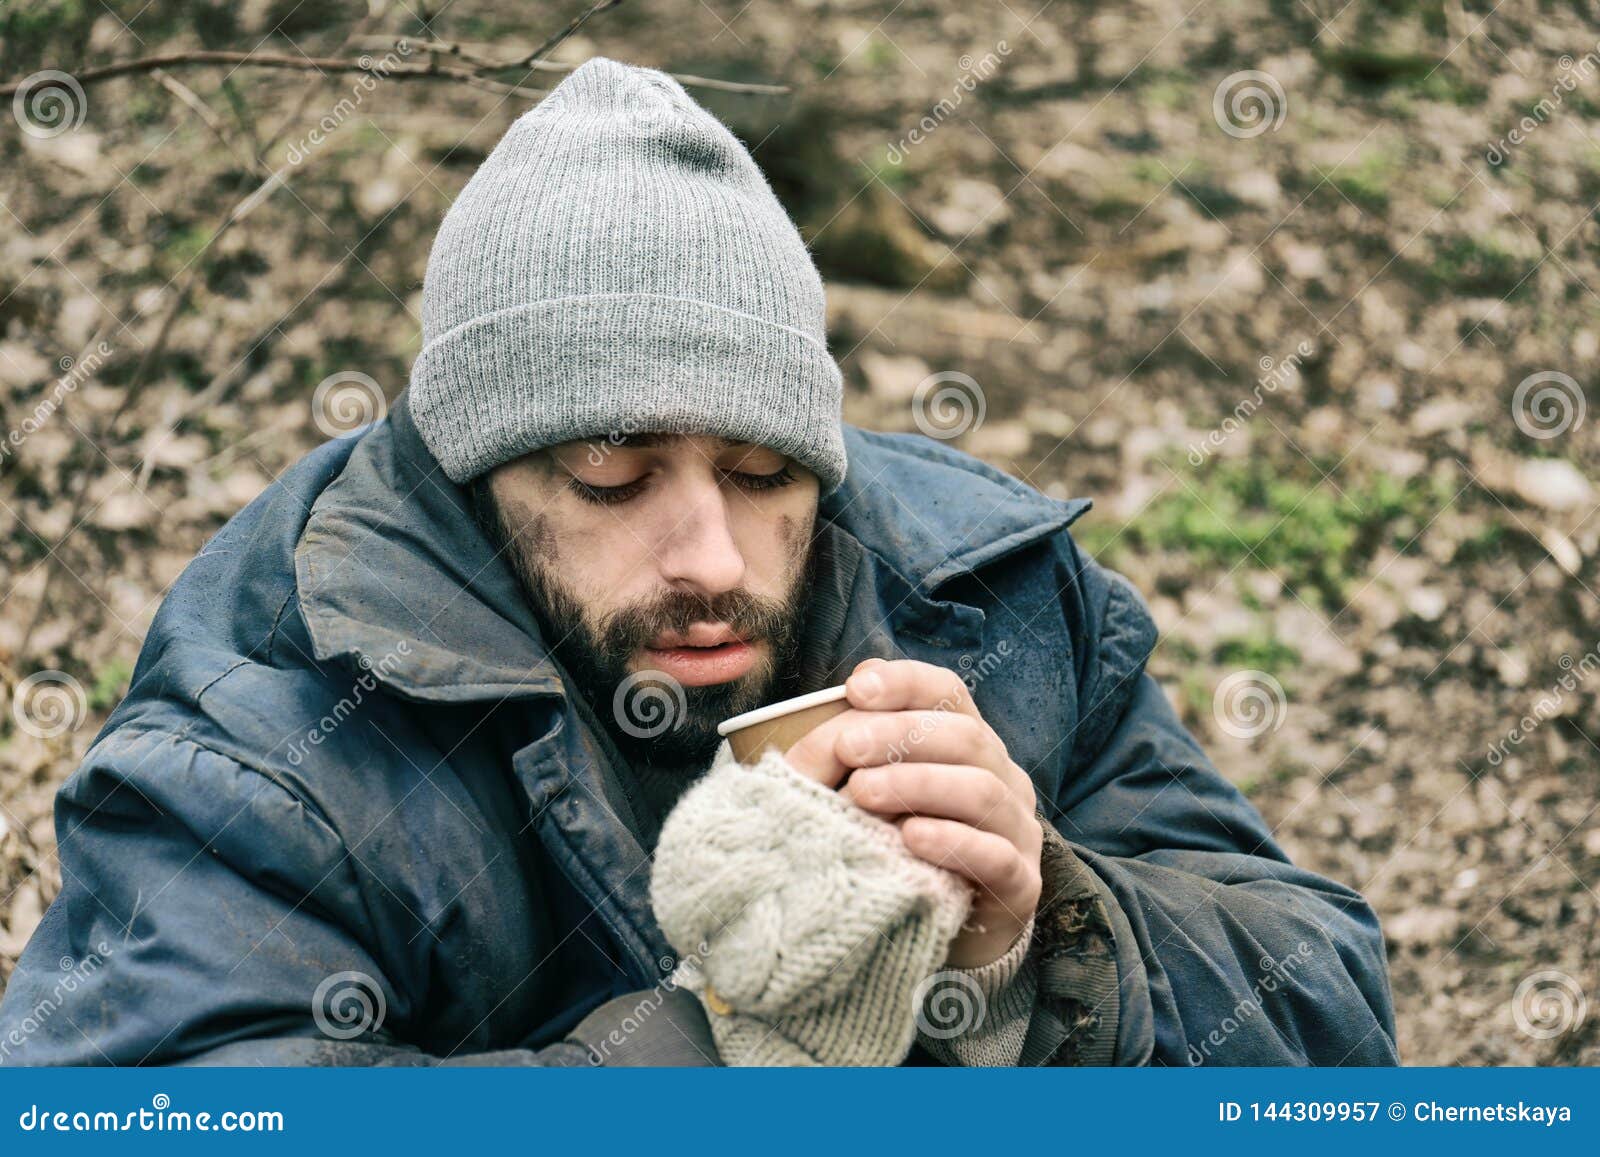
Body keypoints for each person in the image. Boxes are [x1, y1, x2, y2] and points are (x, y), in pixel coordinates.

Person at [0, 58, 1398, 1067]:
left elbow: (1330, 1006)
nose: (712, 555)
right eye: (615, 475)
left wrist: (1040, 941)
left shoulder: (994, 595)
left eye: (761, 473)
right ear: (483, 472)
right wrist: (709, 1044)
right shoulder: (275, 737)